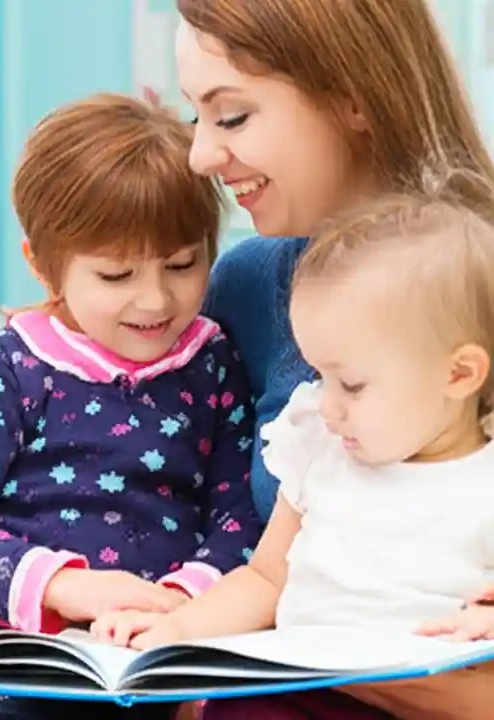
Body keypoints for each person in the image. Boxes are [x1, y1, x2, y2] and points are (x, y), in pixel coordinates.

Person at [0, 93, 264, 720]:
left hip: (142, 650)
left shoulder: (213, 362)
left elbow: (240, 523)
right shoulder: (10, 362)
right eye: (116, 276)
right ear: (44, 265)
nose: (154, 300)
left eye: (182, 264)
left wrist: (174, 604)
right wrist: (68, 588)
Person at [166, 1, 494, 716]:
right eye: (197, 116)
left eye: (232, 117)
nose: (198, 157)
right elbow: (158, 494)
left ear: (353, 97)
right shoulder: (246, 289)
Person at [91, 194, 494, 718]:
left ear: (459, 375)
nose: (327, 405)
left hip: (429, 694)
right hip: (303, 688)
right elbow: (265, 579)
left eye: (351, 384)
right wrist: (177, 629)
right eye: (318, 376)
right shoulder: (317, 445)